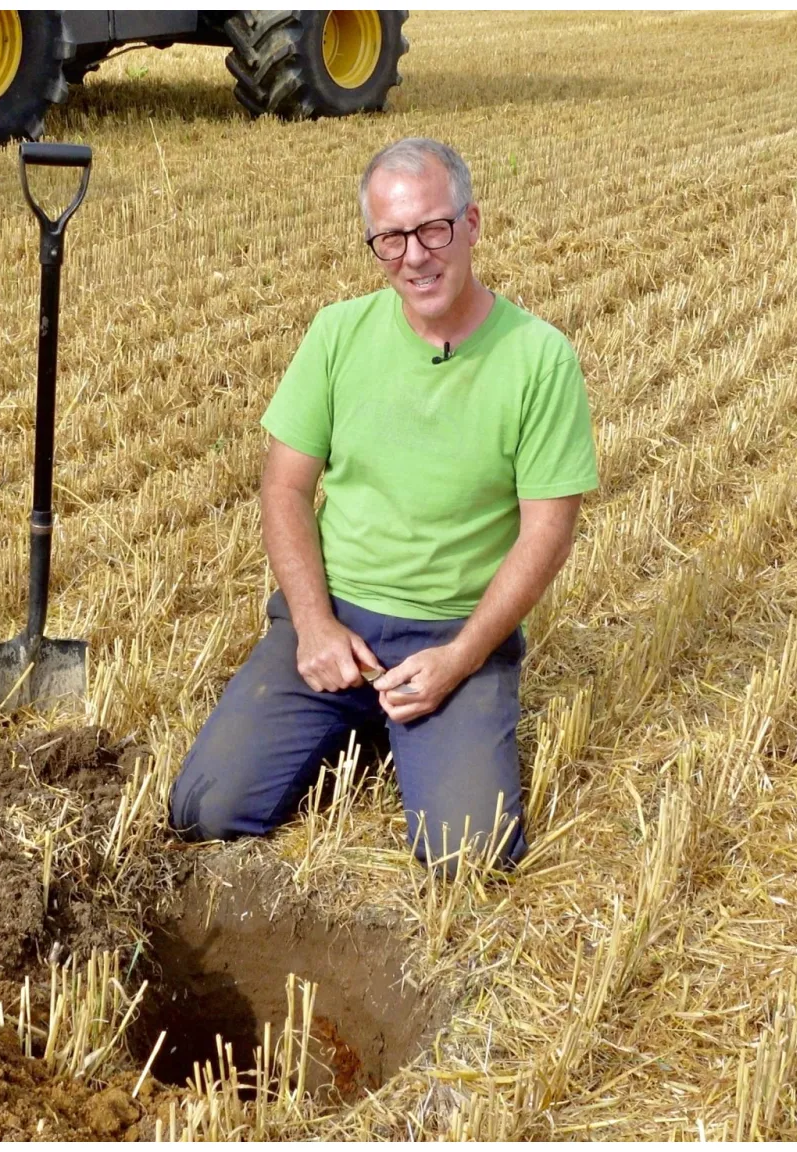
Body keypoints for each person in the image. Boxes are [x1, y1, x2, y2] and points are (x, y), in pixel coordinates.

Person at [169, 137, 598, 872]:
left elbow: (548, 532)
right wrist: (312, 625)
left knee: (469, 858)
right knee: (203, 809)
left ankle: (416, 723)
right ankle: (363, 719)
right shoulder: (338, 334)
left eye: (433, 228)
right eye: (391, 238)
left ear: (472, 224)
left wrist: (461, 658)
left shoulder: (539, 358)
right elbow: (284, 487)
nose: (415, 256)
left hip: (454, 633)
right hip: (338, 621)